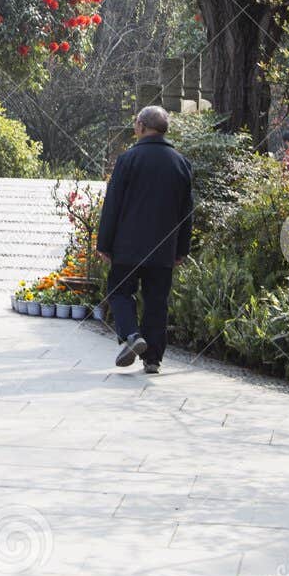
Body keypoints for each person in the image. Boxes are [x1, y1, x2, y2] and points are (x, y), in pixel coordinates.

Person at [96, 105, 193, 375]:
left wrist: (104, 243)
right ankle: (153, 359)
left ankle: (131, 334)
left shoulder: (128, 159)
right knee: (156, 300)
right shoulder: (181, 163)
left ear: (141, 126)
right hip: (164, 248)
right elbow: (187, 213)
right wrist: (181, 249)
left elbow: (113, 205)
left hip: (128, 245)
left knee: (119, 290)